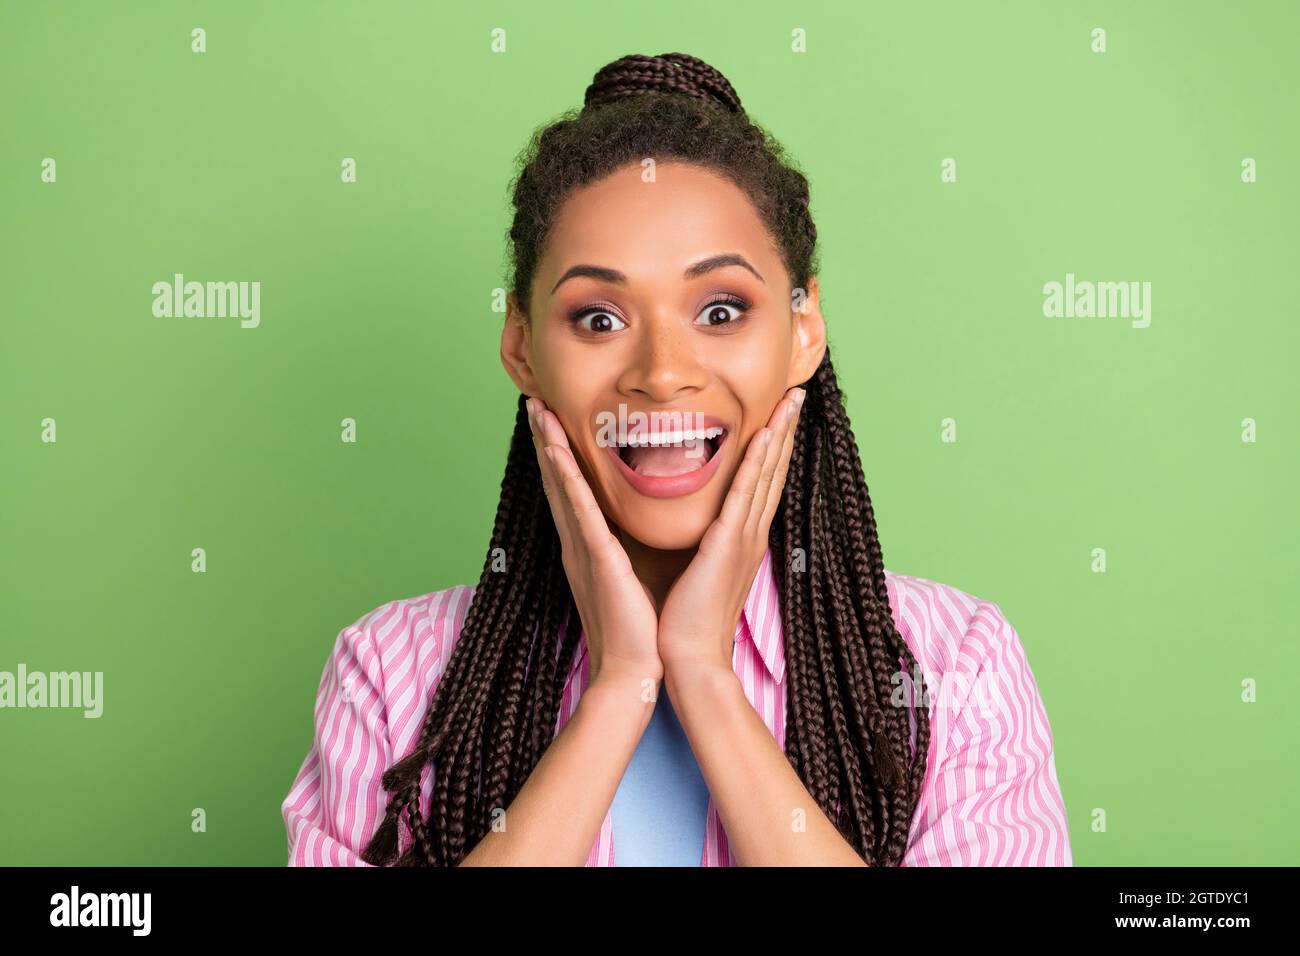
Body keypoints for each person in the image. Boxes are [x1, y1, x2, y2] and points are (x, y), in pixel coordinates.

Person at [281, 52, 1071, 867]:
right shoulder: (391, 679)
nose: (661, 373)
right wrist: (619, 688)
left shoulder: (951, 669)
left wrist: (705, 675)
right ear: (521, 346)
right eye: (597, 319)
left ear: (803, 330)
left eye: (721, 309)